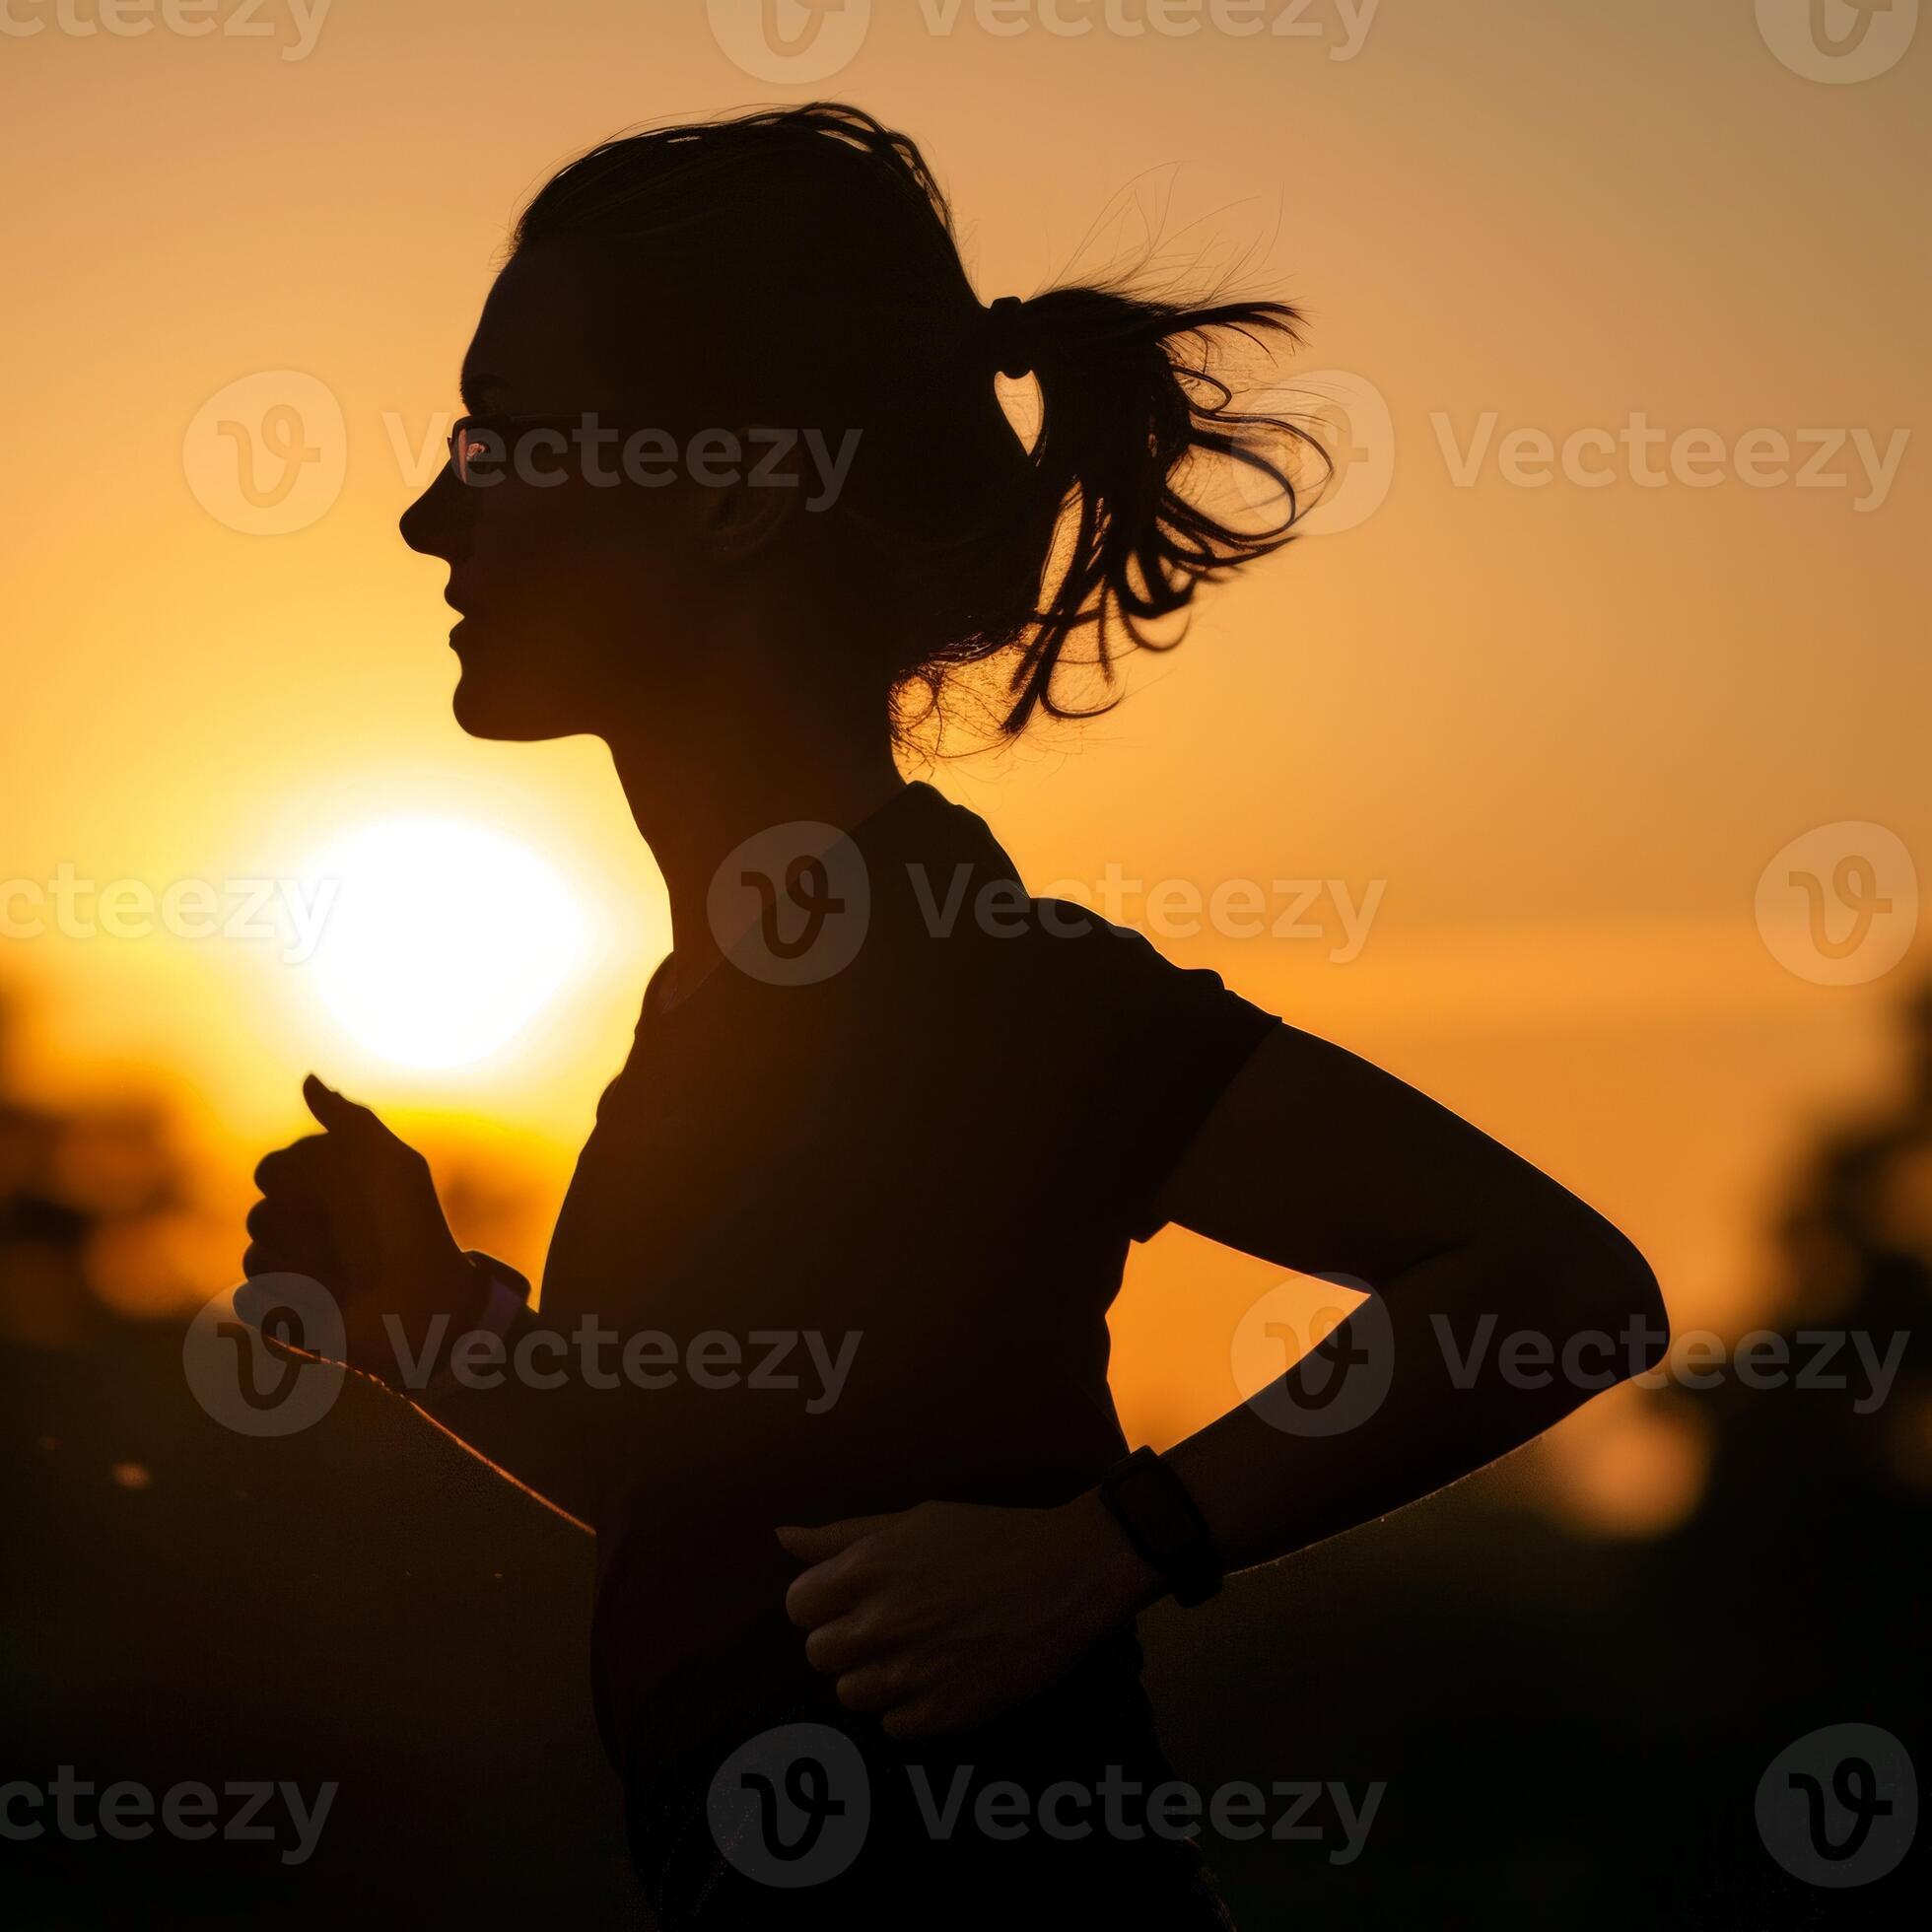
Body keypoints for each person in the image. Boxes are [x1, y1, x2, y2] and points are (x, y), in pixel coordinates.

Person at [242, 104, 1669, 1925]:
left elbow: (1560, 1284)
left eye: (505, 436)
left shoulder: (954, 978)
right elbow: (726, 1534)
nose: (434, 510)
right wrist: (426, 1324)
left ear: (747, 492)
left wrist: (1114, 1549)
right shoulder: (741, 998)